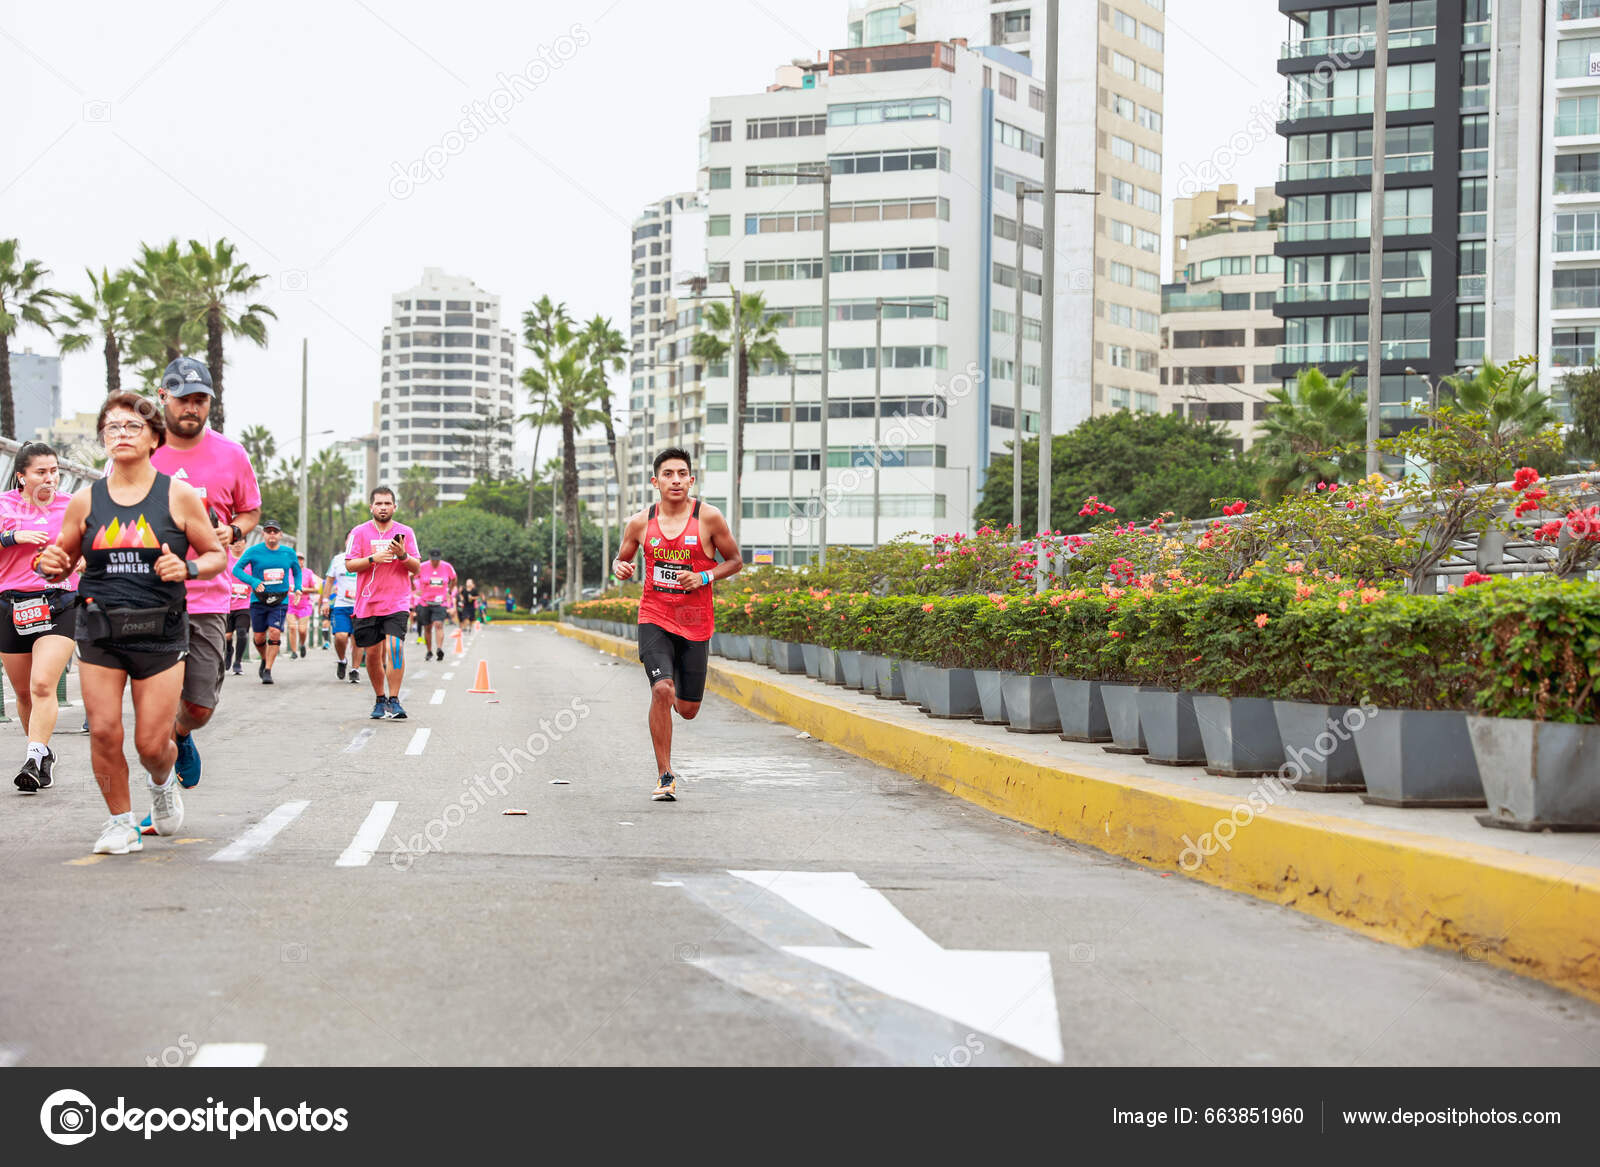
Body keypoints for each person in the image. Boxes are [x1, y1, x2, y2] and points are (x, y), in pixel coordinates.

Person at [37, 391, 225, 855]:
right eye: (112, 427)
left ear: (155, 437)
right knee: (103, 730)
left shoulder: (178, 495)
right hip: (100, 630)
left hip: (160, 634)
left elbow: (216, 555)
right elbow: (61, 559)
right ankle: (119, 822)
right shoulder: (86, 500)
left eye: (132, 426)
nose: (121, 434)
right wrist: (50, 565)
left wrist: (189, 568)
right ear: (104, 438)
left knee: (150, 744)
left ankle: (162, 781)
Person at [148, 356, 261, 796]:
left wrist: (234, 531)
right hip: (147, 596)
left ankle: (181, 734)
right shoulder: (141, 448)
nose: (191, 408)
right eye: (183, 399)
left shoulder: (232, 454)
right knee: (154, 700)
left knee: (199, 706)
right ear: (163, 397)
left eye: (200, 400)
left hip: (207, 596)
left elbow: (250, 511)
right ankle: (158, 785)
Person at [612, 447, 742, 803]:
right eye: (668, 474)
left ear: (691, 480)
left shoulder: (709, 518)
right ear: (655, 482)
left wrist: (704, 576)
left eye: (682, 474)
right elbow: (621, 560)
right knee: (661, 690)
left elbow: (734, 561)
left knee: (687, 709)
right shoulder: (640, 522)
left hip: (695, 622)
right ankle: (665, 775)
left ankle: (674, 698)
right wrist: (619, 567)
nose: (676, 480)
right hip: (654, 617)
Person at [1, 443, 80, 793]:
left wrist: (80, 560)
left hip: (59, 603)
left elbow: (92, 547)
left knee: (43, 685)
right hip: (11, 606)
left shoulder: (73, 506)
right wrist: (12, 537)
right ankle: (43, 753)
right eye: (41, 472)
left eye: (54, 471)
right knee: (23, 693)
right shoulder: (3, 506)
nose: (50, 478)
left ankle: (32, 760)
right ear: (21, 476)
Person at [344, 487, 419, 720]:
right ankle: (380, 699)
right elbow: (349, 565)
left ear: (395, 507)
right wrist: (372, 559)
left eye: (387, 503)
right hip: (367, 603)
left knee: (395, 647)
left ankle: (395, 700)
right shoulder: (359, 532)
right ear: (371, 507)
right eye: (379, 503)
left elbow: (416, 567)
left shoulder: (405, 532)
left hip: (396, 602)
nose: (383, 507)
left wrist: (403, 555)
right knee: (373, 654)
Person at [232, 520, 301, 684]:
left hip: (280, 599)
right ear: (263, 534)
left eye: (275, 531)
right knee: (259, 637)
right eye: (268, 531)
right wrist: (253, 581)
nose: (272, 534)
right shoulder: (253, 551)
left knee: (275, 631)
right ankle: (264, 658)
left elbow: (297, 572)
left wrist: (298, 588)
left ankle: (268, 669)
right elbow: (236, 570)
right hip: (259, 599)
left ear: (280, 535)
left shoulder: (288, 553)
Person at [323, 546, 360, 684]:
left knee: (357, 639)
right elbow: (329, 580)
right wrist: (325, 601)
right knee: (340, 636)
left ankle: (355, 670)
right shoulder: (338, 559)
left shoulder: (367, 558)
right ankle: (342, 660)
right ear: (346, 542)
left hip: (360, 606)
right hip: (341, 605)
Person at [415, 549, 456, 661]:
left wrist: (450, 591)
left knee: (439, 624)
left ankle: (439, 649)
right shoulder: (422, 566)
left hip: (440, 602)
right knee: (427, 627)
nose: (435, 562)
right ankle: (429, 651)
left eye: (437, 560)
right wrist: (415, 589)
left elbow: (454, 578)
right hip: (425, 602)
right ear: (429, 558)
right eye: (433, 560)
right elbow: (411, 576)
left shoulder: (447, 567)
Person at [285, 551, 319, 659]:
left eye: (301, 559)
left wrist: (304, 589)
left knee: (302, 630)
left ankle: (302, 644)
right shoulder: (287, 572)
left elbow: (316, 589)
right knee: (292, 628)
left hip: (304, 605)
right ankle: (294, 652)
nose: (299, 561)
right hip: (290, 605)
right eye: (297, 558)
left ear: (303, 561)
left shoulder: (308, 573)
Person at [224, 547, 251, 676]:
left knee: (242, 632)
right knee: (227, 636)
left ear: (244, 543)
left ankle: (238, 662)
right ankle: (229, 651)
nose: (237, 544)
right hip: (227, 604)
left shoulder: (249, 560)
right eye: (235, 542)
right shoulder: (225, 557)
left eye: (241, 541)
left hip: (244, 604)